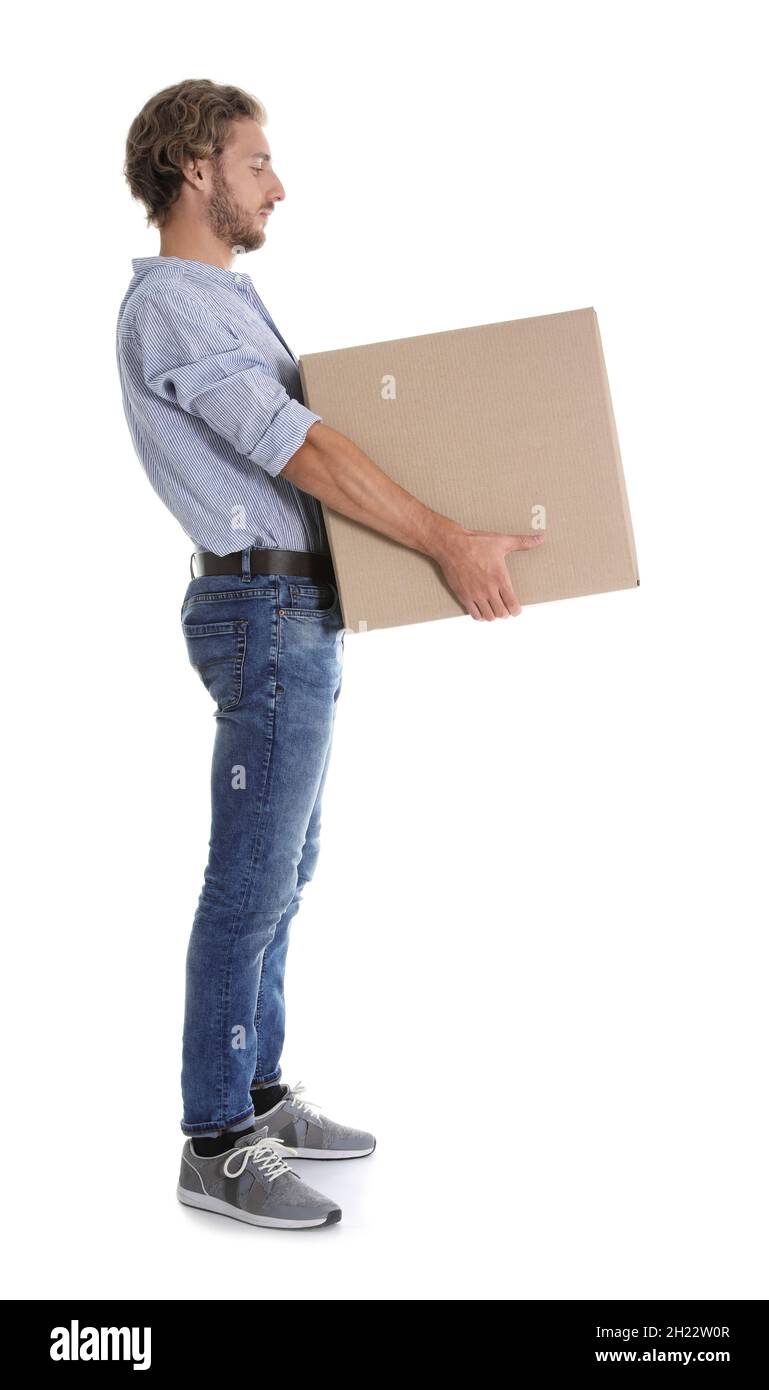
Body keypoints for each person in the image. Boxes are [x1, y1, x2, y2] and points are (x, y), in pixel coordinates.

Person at [116, 77, 543, 1231]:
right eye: (258, 162)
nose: (278, 184)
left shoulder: (228, 301)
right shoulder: (174, 307)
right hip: (261, 619)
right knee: (247, 880)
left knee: (286, 870)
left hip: (294, 614)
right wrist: (446, 541)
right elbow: (300, 448)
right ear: (197, 167)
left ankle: (255, 1091)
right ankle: (216, 1140)